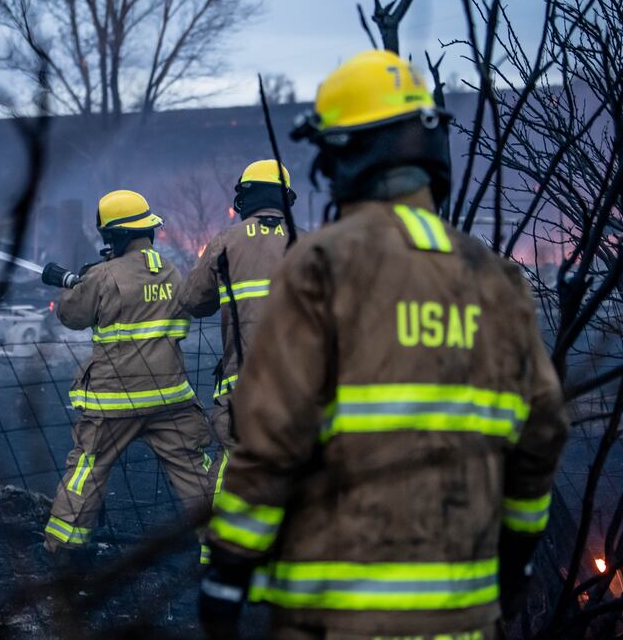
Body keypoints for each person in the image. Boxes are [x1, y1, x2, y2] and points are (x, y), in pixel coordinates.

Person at [199, 50, 569, 639]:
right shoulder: (496, 279)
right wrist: (519, 552)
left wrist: (228, 569)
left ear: (343, 157)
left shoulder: (321, 265)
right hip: (461, 613)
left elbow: (268, 436)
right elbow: (541, 432)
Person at [41, 190, 213, 558]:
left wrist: (81, 283)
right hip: (171, 396)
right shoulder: (170, 270)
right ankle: (222, 547)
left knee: (87, 470)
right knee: (195, 470)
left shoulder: (103, 275)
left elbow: (71, 316)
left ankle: (64, 550)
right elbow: (180, 319)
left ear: (113, 236)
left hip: (113, 401)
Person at [179, 159, 296, 562]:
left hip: (242, 379)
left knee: (231, 462)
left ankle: (218, 553)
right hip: (302, 383)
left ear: (244, 199)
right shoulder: (309, 244)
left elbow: (195, 302)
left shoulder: (225, 243)